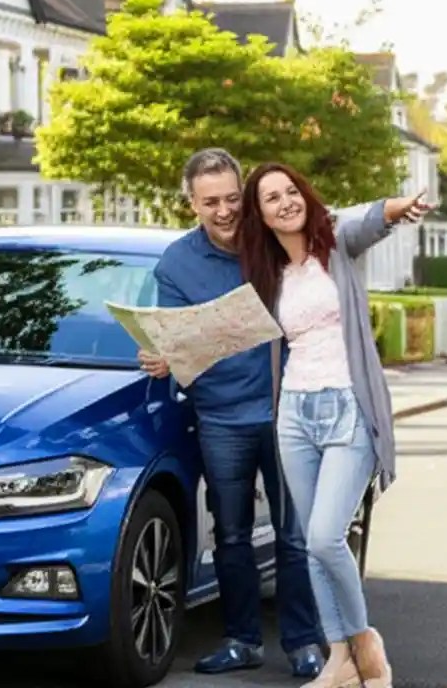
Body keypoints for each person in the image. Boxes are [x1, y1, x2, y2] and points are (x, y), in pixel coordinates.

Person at [235, 162, 432, 687]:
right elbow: (222, 332)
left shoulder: (335, 239)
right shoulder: (267, 273)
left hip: (348, 408)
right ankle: (339, 661)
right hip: (296, 416)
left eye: (290, 191)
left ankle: (367, 649)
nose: (285, 202)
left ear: (304, 194)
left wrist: (401, 206)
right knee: (307, 543)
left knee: (326, 538)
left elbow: (374, 217)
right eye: (271, 198)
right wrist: (166, 357)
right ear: (261, 215)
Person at [137, 148, 326, 678]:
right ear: (191, 203)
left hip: (286, 409)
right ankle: (242, 639)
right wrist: (162, 358)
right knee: (232, 535)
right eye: (210, 202)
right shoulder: (176, 263)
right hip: (220, 417)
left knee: (293, 534)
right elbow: (171, 341)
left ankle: (304, 642)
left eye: (230, 198)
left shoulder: (273, 242)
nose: (224, 211)